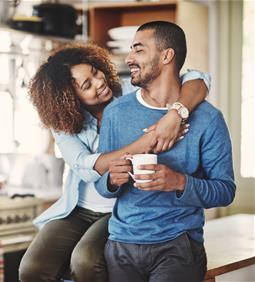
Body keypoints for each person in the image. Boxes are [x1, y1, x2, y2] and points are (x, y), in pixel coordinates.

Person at [19, 42, 211, 282]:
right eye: (87, 85)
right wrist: (150, 139)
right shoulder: (63, 123)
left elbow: (197, 79)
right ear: (68, 100)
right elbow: (87, 166)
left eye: (95, 72)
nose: (99, 83)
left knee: (85, 260)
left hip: (121, 208)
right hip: (79, 209)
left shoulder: (134, 93)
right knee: (32, 269)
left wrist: (175, 114)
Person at [95, 21, 236, 282]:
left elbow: (226, 191)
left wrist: (179, 182)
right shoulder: (116, 113)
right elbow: (101, 185)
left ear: (167, 55)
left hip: (178, 246)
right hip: (121, 246)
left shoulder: (208, 119)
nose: (129, 58)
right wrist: (111, 179)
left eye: (138, 50)